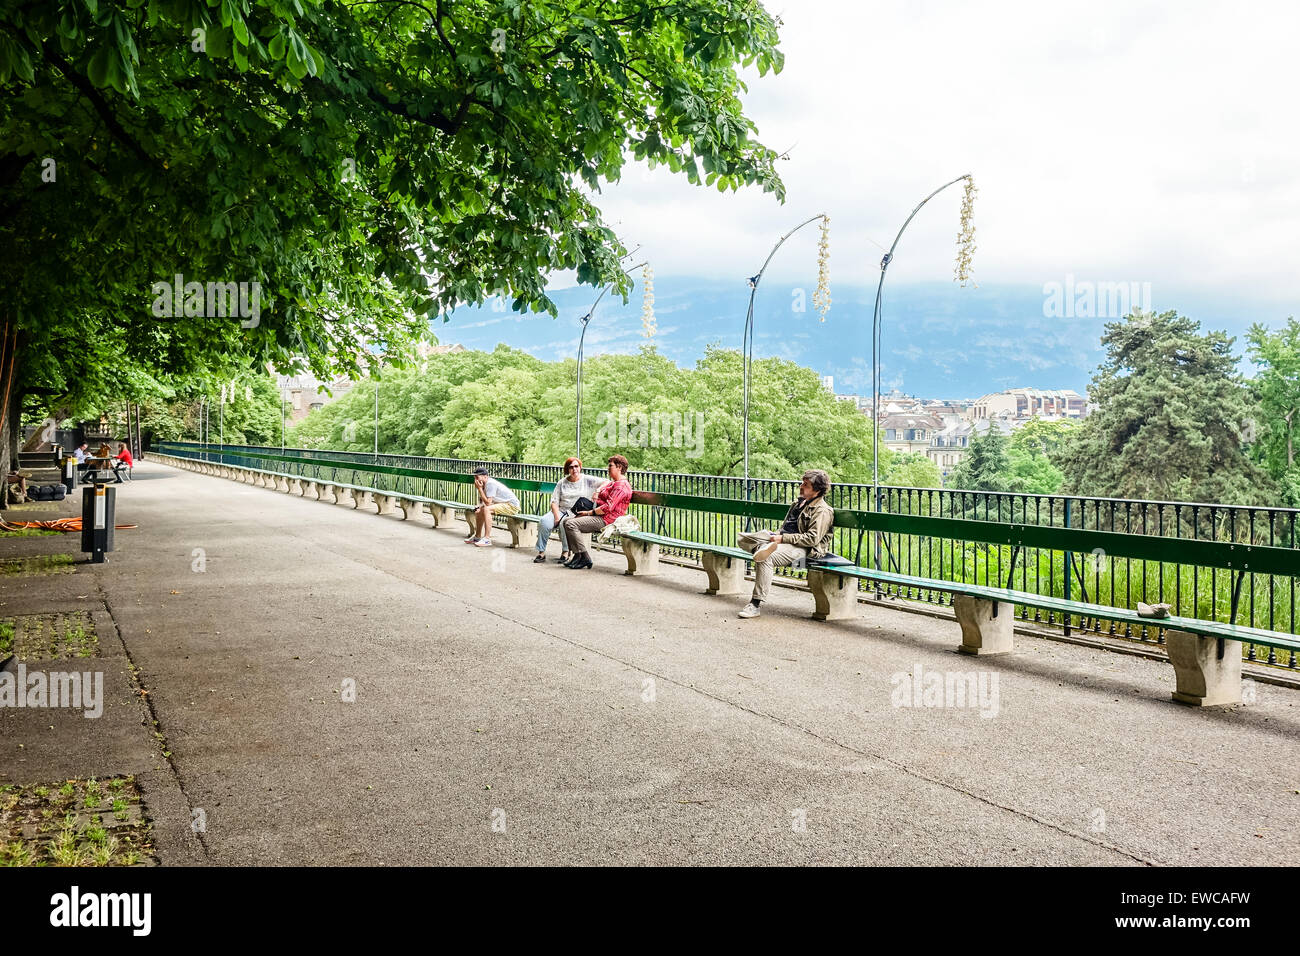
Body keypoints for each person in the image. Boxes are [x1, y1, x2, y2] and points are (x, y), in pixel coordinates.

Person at [736, 469, 835, 619]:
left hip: (804, 550)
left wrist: (783, 539)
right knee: (743, 539)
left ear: (817, 490)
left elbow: (811, 539)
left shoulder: (822, 510)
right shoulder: (798, 504)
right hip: (782, 541)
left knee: (765, 558)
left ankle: (755, 604)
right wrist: (776, 535)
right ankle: (764, 547)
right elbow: (785, 527)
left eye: (806, 485)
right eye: (802, 482)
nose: (801, 486)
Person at [560, 455, 632, 570]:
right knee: (566, 521)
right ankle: (577, 555)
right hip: (600, 515)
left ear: (619, 467)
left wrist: (589, 513)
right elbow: (603, 495)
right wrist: (597, 492)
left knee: (571, 524)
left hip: (608, 519)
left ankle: (585, 557)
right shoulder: (614, 483)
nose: (608, 468)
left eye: (610, 466)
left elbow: (608, 507)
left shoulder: (621, 485)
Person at [535, 457, 607, 565]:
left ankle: (565, 553)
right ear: (567, 469)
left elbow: (607, 482)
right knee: (544, 522)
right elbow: (554, 501)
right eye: (571, 467)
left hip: (577, 512)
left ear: (580, 467)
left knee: (565, 524)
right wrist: (556, 517)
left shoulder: (587, 480)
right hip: (560, 510)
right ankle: (541, 552)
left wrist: (597, 491)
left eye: (576, 466)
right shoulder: (562, 482)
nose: (574, 469)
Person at [465, 467, 521, 547]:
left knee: (486, 509)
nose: (475, 479)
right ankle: (477, 537)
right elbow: (483, 501)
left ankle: (487, 539)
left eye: (477, 477)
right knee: (480, 511)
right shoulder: (484, 484)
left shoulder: (490, 483)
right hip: (503, 504)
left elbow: (488, 503)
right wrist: (479, 506)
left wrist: (480, 489)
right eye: (475, 477)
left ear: (485, 476)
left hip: (512, 506)